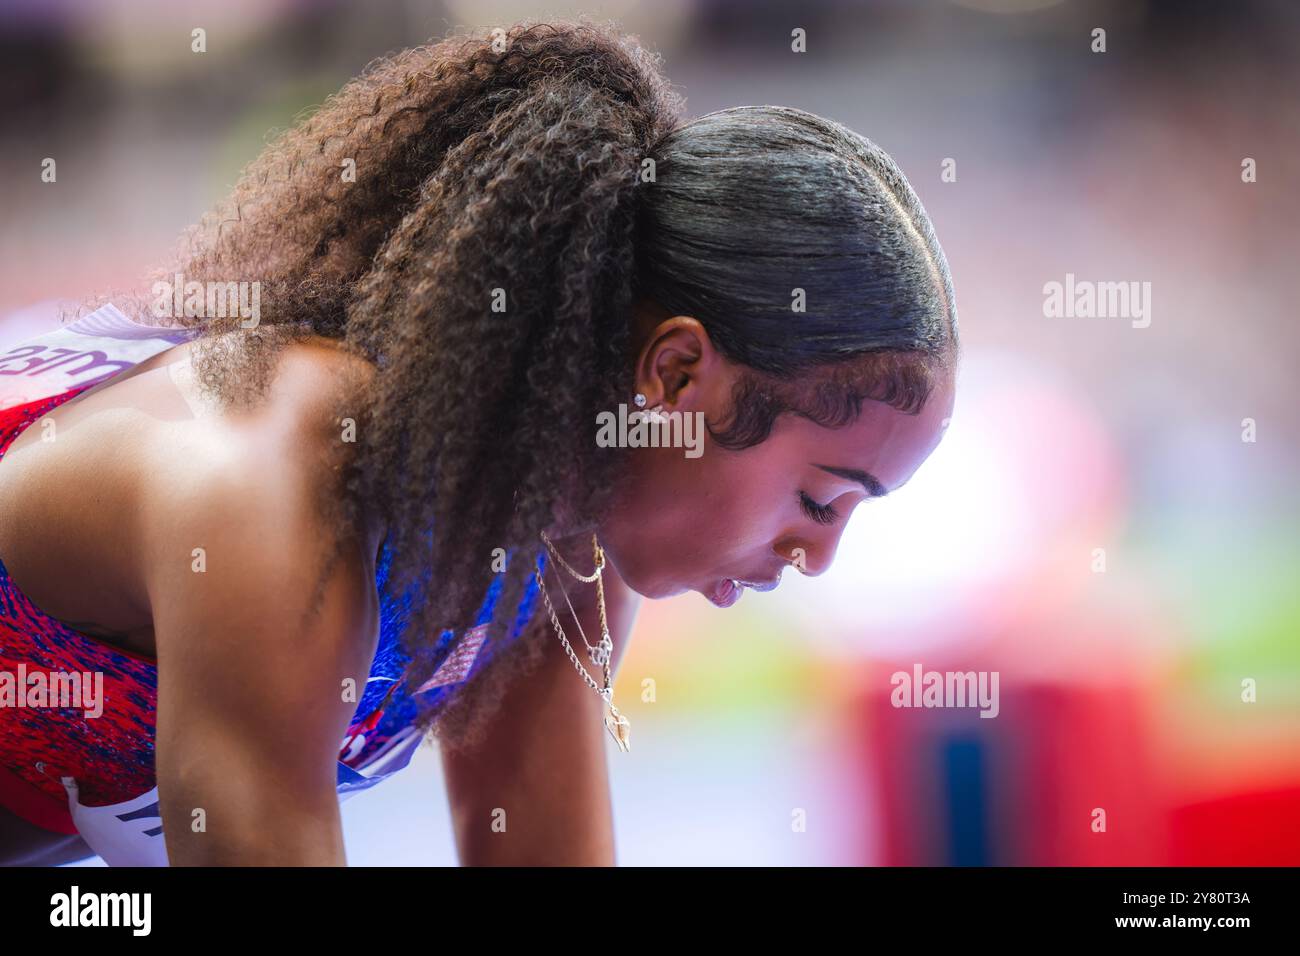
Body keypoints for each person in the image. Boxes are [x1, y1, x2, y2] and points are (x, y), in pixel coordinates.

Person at [0, 19, 957, 866]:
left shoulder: (560, 544)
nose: (820, 559)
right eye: (824, 499)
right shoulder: (263, 486)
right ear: (672, 376)